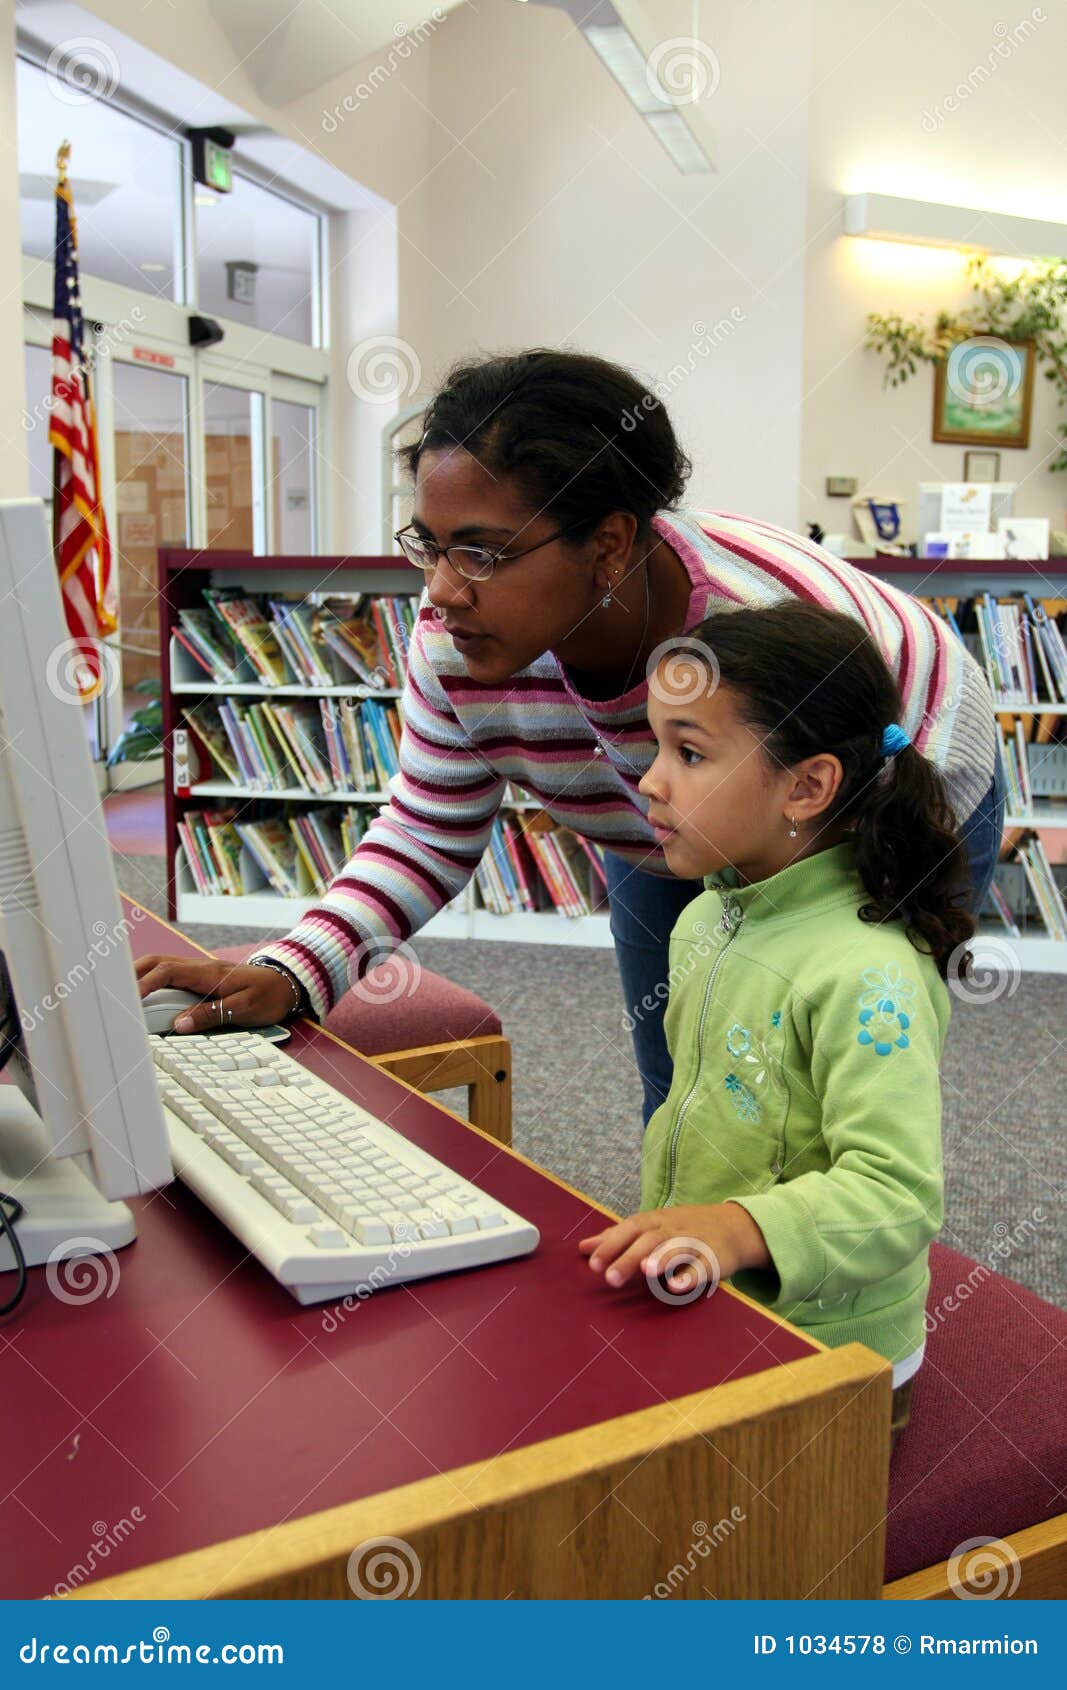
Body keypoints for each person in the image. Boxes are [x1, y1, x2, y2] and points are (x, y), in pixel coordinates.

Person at [135, 350, 1001, 1126]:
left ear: (609, 544)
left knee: (811, 1090)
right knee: (680, 1076)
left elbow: (829, 864)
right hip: (674, 822)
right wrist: (294, 971)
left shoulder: (764, 632)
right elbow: (428, 829)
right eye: (427, 547)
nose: (440, 592)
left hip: (884, 779)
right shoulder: (455, 647)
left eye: (480, 552)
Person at [580, 601, 975, 1440]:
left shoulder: (868, 975)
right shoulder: (705, 918)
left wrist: (733, 1227)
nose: (649, 780)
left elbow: (898, 1197)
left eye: (688, 753)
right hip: (716, 1289)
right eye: (655, 746)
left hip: (833, 1352)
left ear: (806, 785)